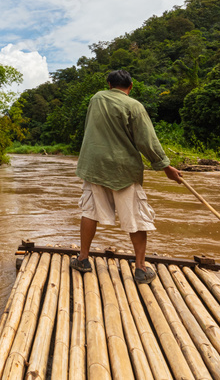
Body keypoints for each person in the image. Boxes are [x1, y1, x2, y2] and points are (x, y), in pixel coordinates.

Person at [72, 69, 183, 284]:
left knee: (90, 211)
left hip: (95, 166)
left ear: (109, 84)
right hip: (124, 169)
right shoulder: (135, 106)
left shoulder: (96, 99)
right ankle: (140, 269)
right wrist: (165, 166)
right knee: (136, 218)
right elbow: (146, 141)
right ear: (130, 87)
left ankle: (83, 259)